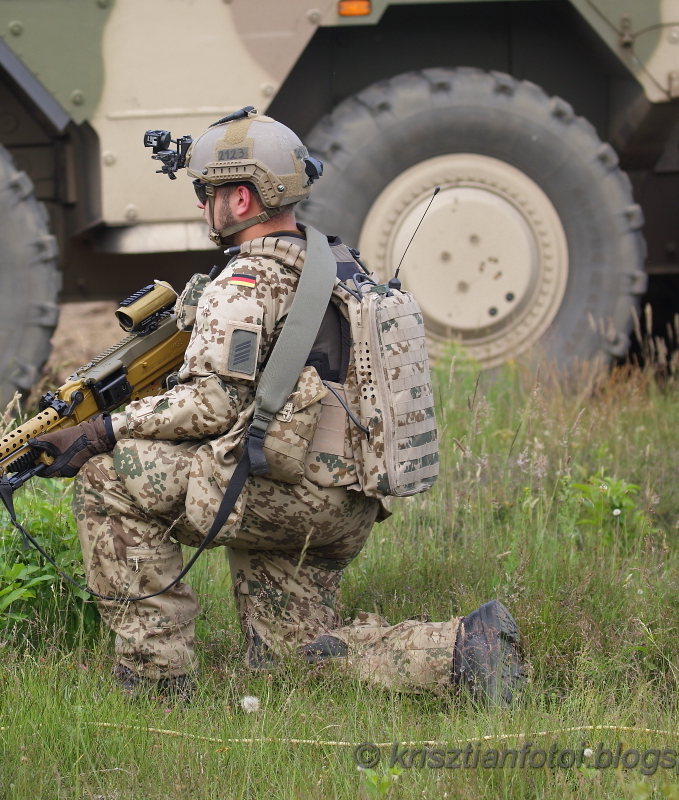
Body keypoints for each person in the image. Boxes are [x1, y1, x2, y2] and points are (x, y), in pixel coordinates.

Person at [29, 109, 525, 705]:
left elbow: (214, 403)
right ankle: (463, 651)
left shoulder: (245, 282)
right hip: (341, 500)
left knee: (109, 478)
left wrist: (105, 428)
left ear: (240, 199)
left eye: (205, 192)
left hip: (290, 494)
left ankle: (155, 679)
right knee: (291, 661)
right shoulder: (335, 262)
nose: (199, 206)